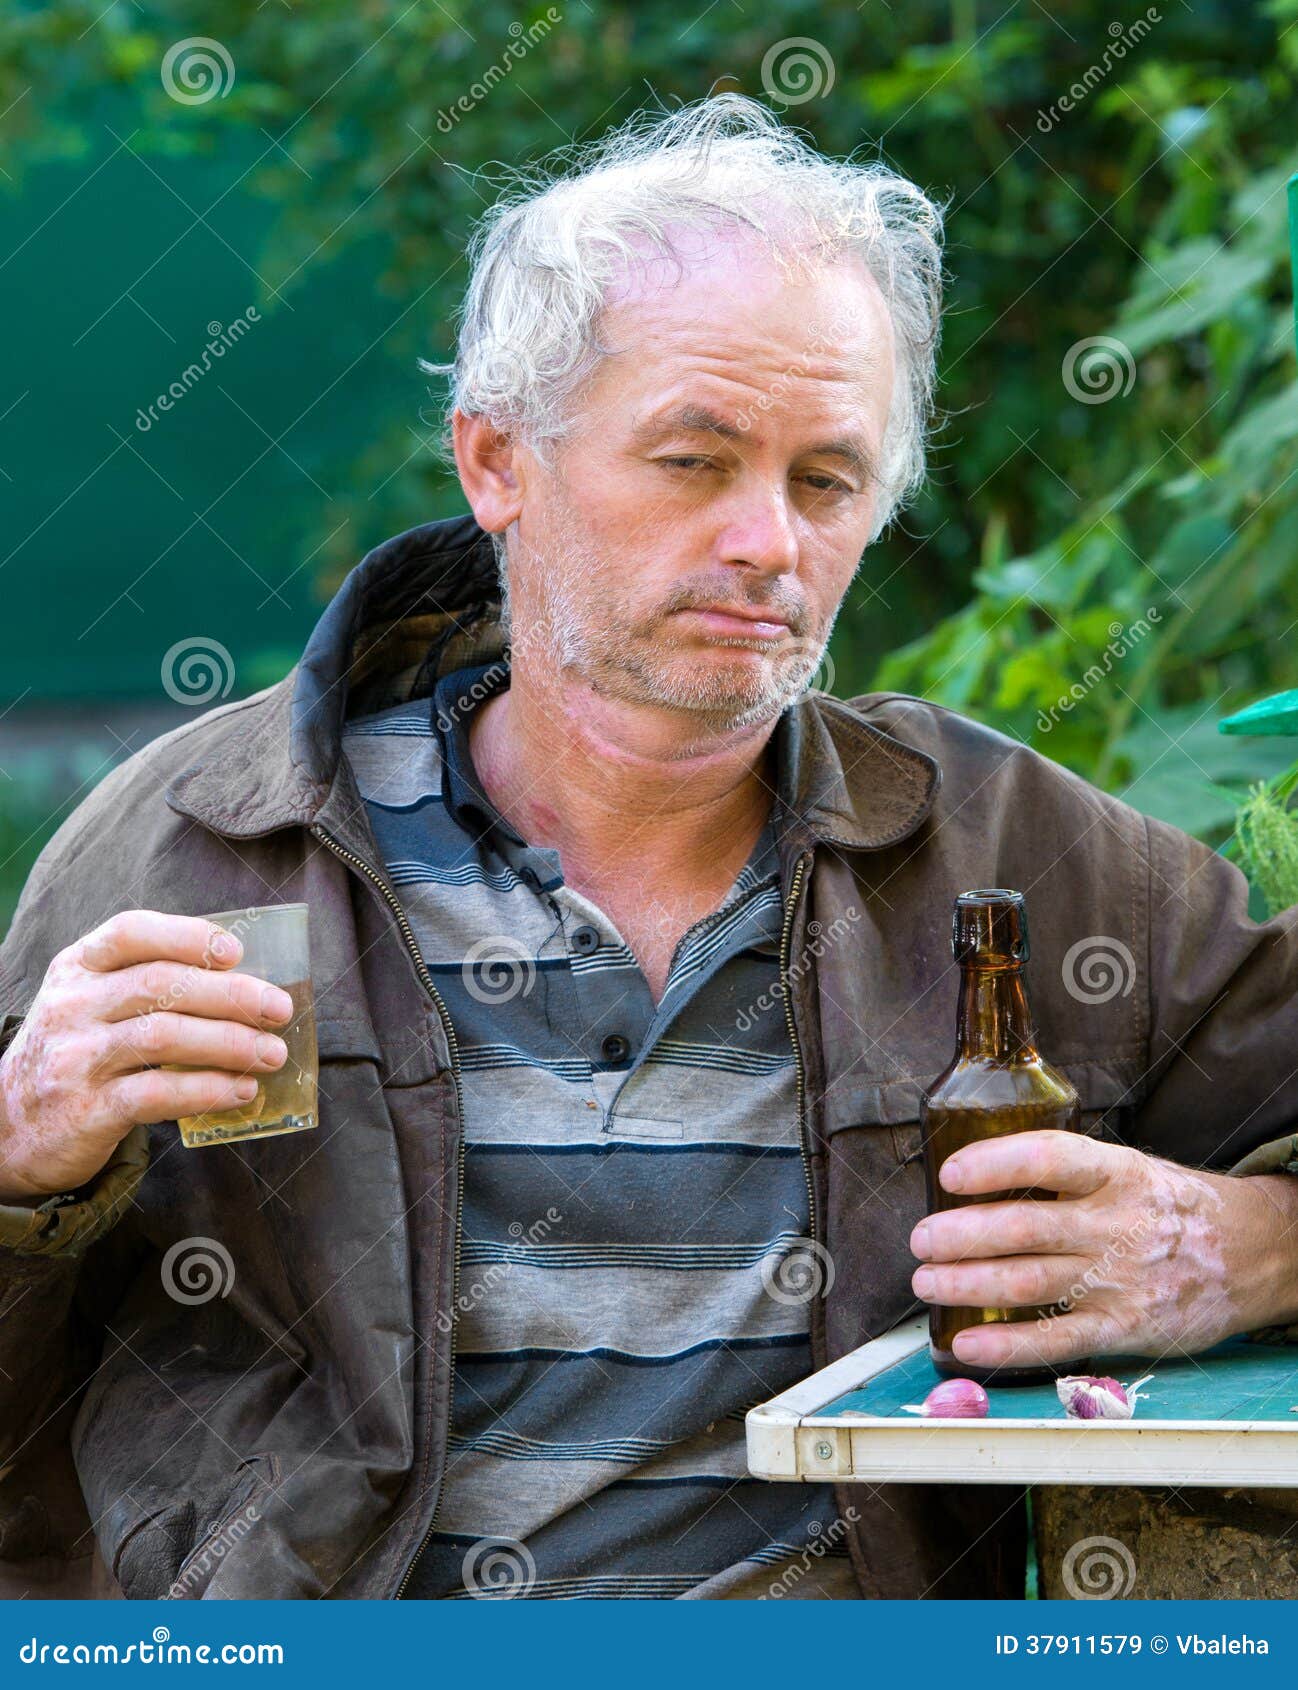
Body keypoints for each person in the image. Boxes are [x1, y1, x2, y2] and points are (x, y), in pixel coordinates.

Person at [2, 94, 1298, 1602]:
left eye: (826, 481)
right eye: (694, 460)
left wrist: (1256, 1244)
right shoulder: (203, 846)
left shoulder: (1005, 845)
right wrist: (20, 1162)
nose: (769, 542)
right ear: (498, 461)